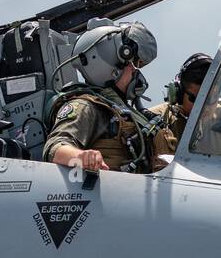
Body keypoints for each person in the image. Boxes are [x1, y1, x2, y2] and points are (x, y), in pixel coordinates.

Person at [43, 19, 180, 174]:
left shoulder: (128, 113)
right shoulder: (85, 106)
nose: (136, 72)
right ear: (110, 66)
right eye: (133, 64)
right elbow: (55, 147)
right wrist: (82, 157)